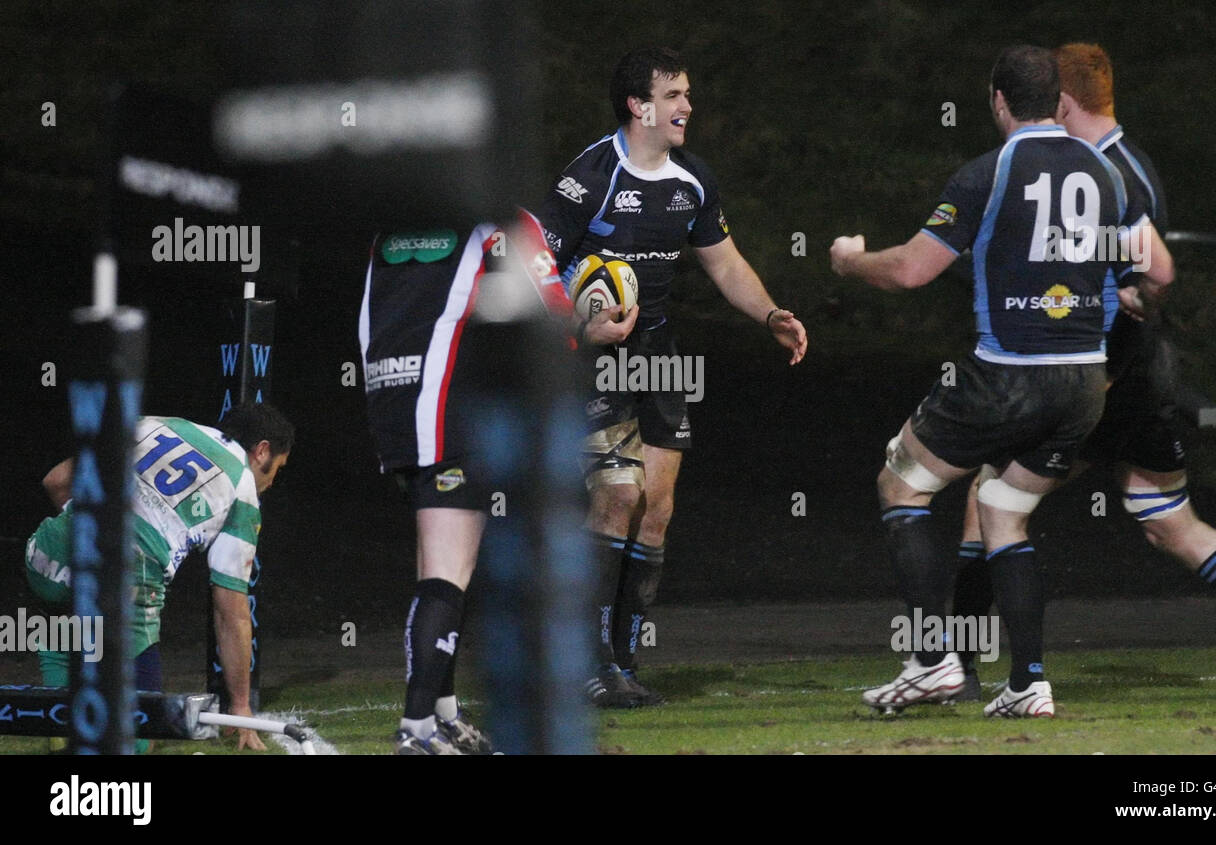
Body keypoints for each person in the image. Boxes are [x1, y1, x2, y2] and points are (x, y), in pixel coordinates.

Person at [945, 43, 1216, 706]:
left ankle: (965, 667)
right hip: (1131, 379)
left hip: (1106, 380)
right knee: (1165, 517)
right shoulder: (1120, 163)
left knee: (990, 498)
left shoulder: (1106, 174)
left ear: (1063, 103)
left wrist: (1089, 376)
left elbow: (1139, 289)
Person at [830, 44, 1173, 718]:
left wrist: (850, 261)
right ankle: (1029, 681)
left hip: (1009, 375)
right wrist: (1123, 291)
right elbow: (1152, 273)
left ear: (997, 100)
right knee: (1002, 509)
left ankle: (931, 661)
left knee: (901, 481)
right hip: (1084, 385)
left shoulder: (987, 173)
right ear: (1059, 102)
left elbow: (910, 270)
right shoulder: (1107, 175)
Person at [536, 47, 808, 707]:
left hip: (658, 355)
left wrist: (769, 311)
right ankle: (582, 661)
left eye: (688, 93)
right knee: (618, 496)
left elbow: (724, 263)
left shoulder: (692, 179)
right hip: (591, 357)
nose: (687, 106)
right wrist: (578, 325)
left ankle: (621, 664)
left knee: (656, 510)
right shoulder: (591, 177)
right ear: (639, 105)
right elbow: (529, 266)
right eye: (675, 94)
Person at [360, 211, 634, 753]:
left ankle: (442, 715)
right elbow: (551, 312)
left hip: (390, 401)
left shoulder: (387, 228)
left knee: (436, 567)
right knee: (447, 574)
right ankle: (415, 730)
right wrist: (588, 330)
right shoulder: (501, 217)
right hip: (451, 407)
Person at [25, 401, 293, 751]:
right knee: (144, 731)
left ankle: (66, 726)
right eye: (277, 470)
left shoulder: (158, 423)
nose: (271, 483)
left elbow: (57, 481)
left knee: (64, 687)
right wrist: (240, 706)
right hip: (126, 578)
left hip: (45, 556)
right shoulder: (242, 487)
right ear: (262, 451)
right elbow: (231, 611)